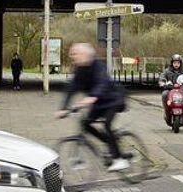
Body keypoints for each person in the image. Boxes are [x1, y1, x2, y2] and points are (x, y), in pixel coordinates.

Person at [55, 43, 129, 171]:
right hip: (99, 103)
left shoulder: (98, 66)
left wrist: (93, 96)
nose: (72, 57)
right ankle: (111, 143)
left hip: (114, 99)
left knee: (107, 125)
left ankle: (119, 159)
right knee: (85, 123)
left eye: (75, 54)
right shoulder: (80, 70)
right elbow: (71, 88)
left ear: (85, 55)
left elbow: (102, 82)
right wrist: (63, 108)